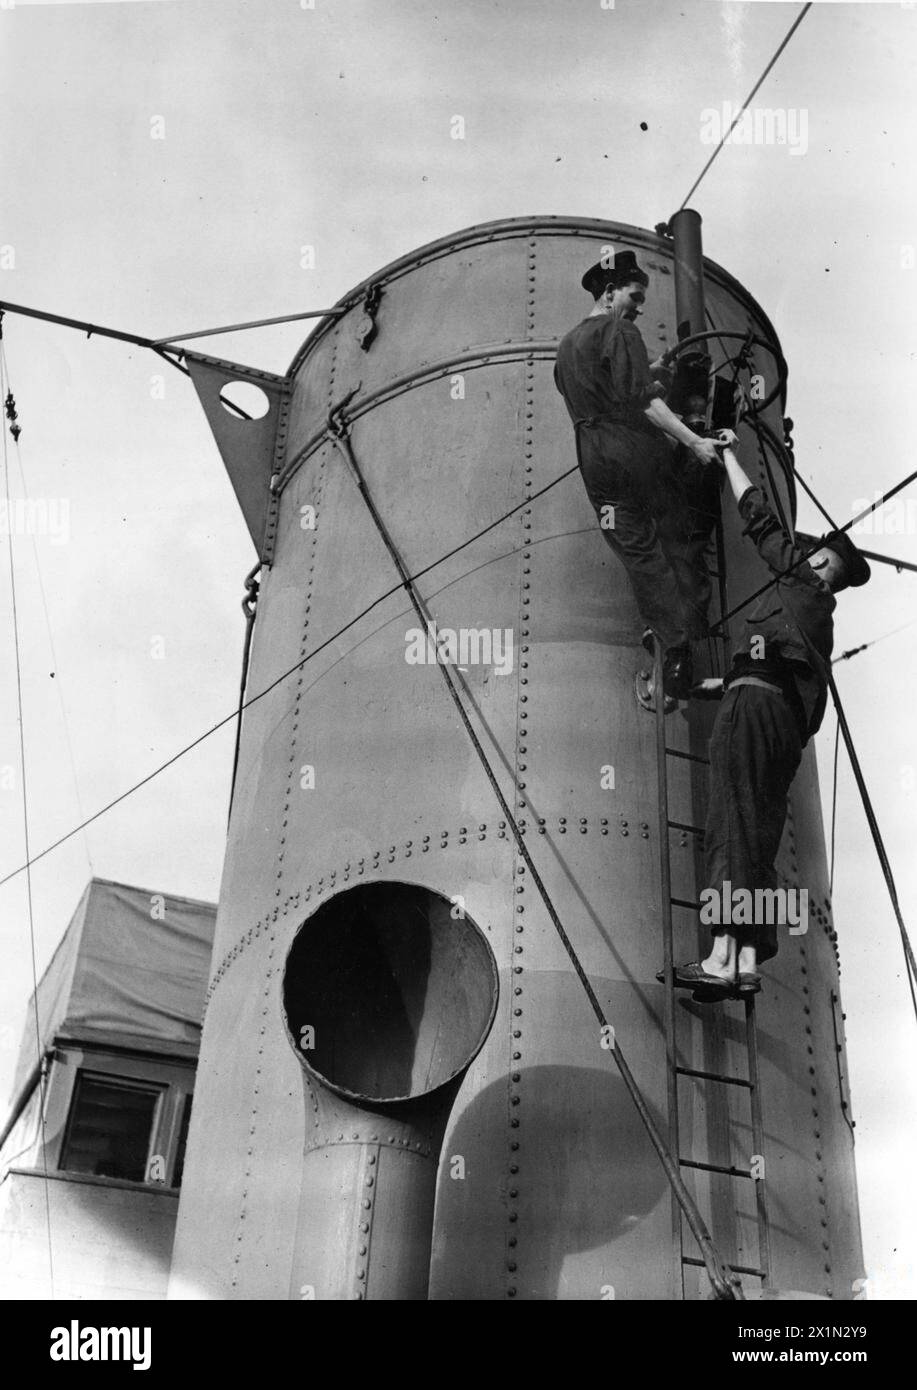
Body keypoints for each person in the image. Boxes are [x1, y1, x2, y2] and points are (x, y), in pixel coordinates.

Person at [663, 435, 870, 1001]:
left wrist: (728, 453)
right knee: (759, 834)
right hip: (778, 728)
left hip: (751, 712)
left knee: (730, 823)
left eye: (812, 550)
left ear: (824, 561)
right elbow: (767, 677)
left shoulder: (801, 579)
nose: (802, 552)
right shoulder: (817, 625)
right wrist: (708, 687)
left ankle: (720, 957)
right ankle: (750, 959)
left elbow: (757, 518)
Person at [554, 250, 721, 698]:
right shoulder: (620, 329)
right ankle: (687, 646)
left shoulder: (567, 346)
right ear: (611, 293)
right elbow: (643, 403)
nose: (640, 306)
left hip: (594, 458)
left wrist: (651, 373)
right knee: (682, 534)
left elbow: (607, 390)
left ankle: (667, 641)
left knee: (641, 556)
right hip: (635, 451)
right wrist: (694, 441)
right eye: (635, 295)